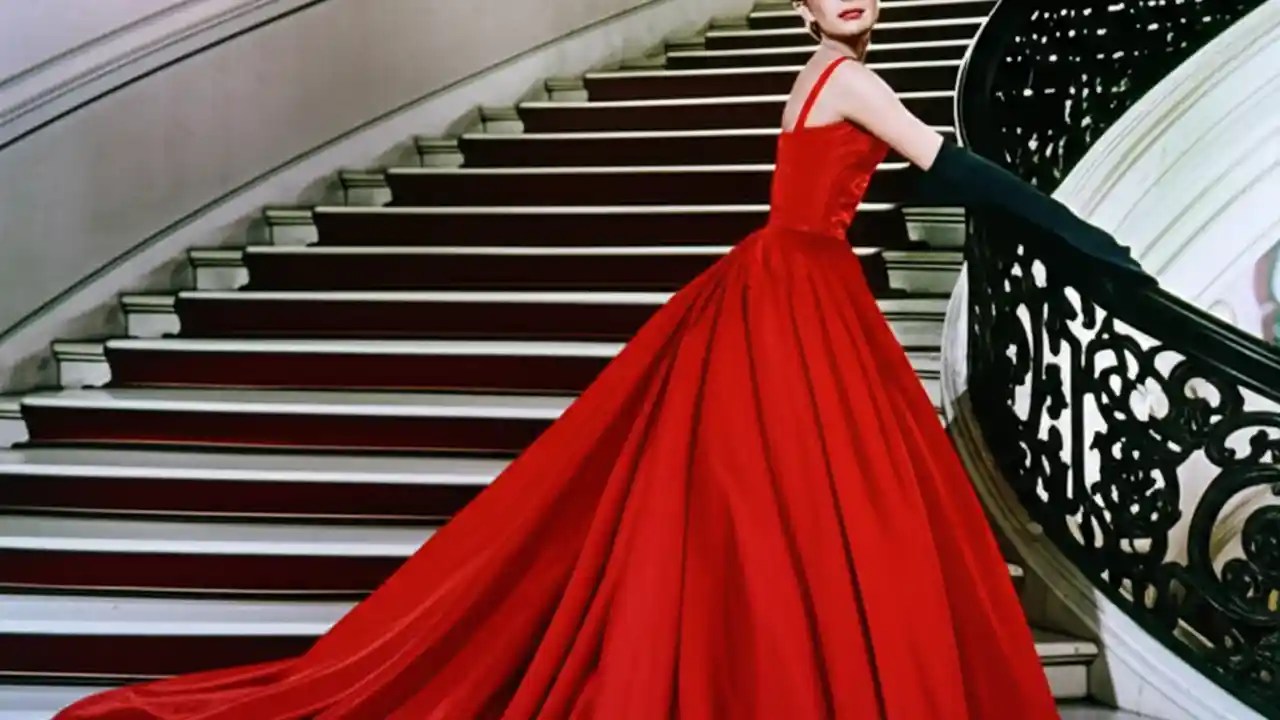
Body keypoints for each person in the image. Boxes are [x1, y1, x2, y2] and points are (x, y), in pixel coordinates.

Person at [58, 1, 1152, 718]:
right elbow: (946, 165)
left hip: (782, 283)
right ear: (807, 5)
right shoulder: (850, 79)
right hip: (798, 293)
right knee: (825, 498)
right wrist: (1084, 242)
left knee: (778, 501)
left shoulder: (817, 73)